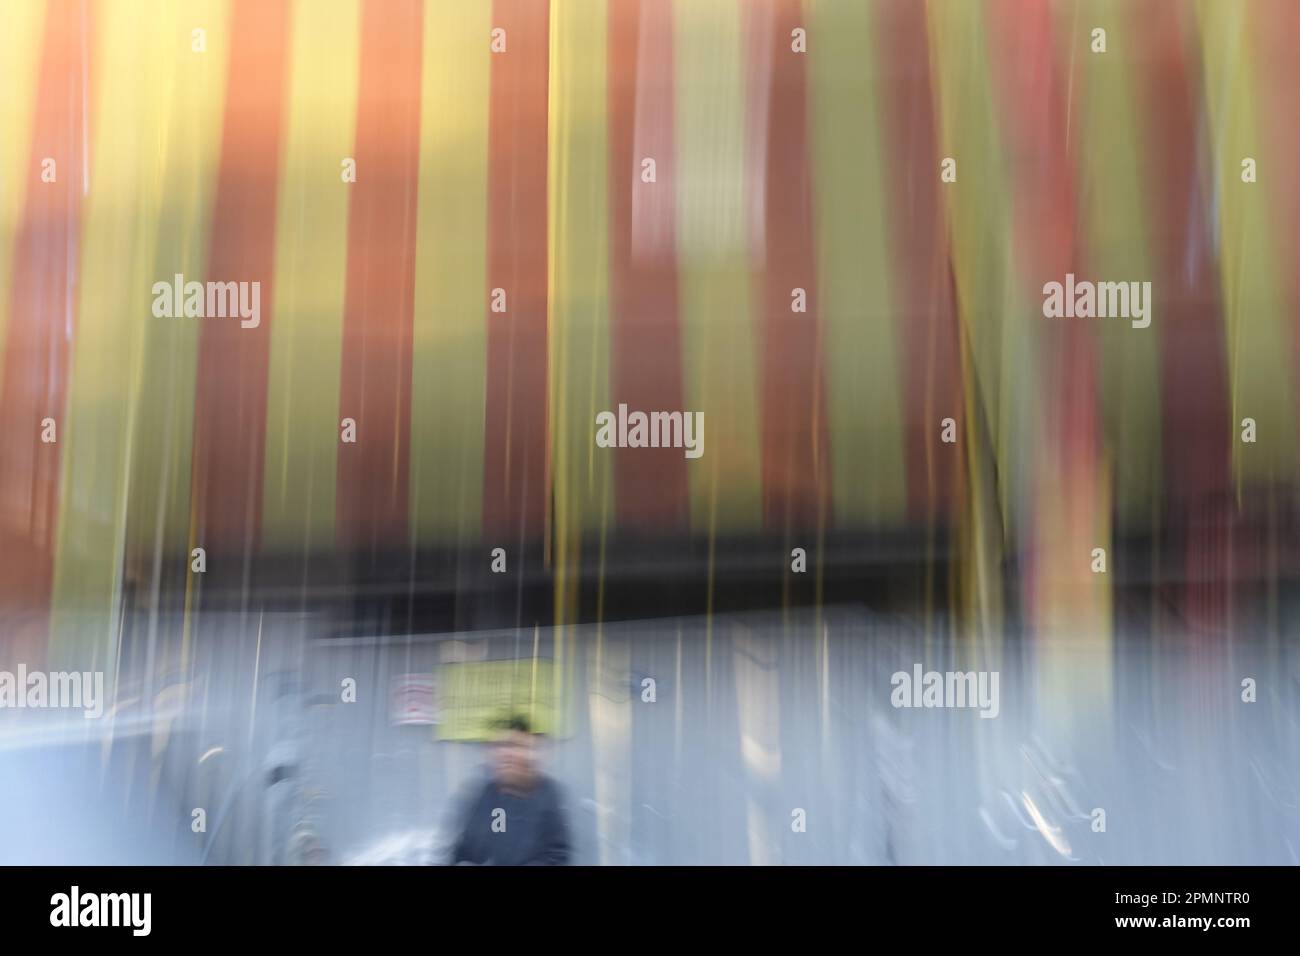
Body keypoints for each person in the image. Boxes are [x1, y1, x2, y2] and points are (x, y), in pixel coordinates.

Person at [445, 714, 571, 865]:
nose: (505, 754)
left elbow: (557, 856)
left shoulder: (545, 793)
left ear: (529, 751)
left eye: (514, 745)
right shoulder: (484, 793)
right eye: (499, 746)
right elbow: (463, 849)